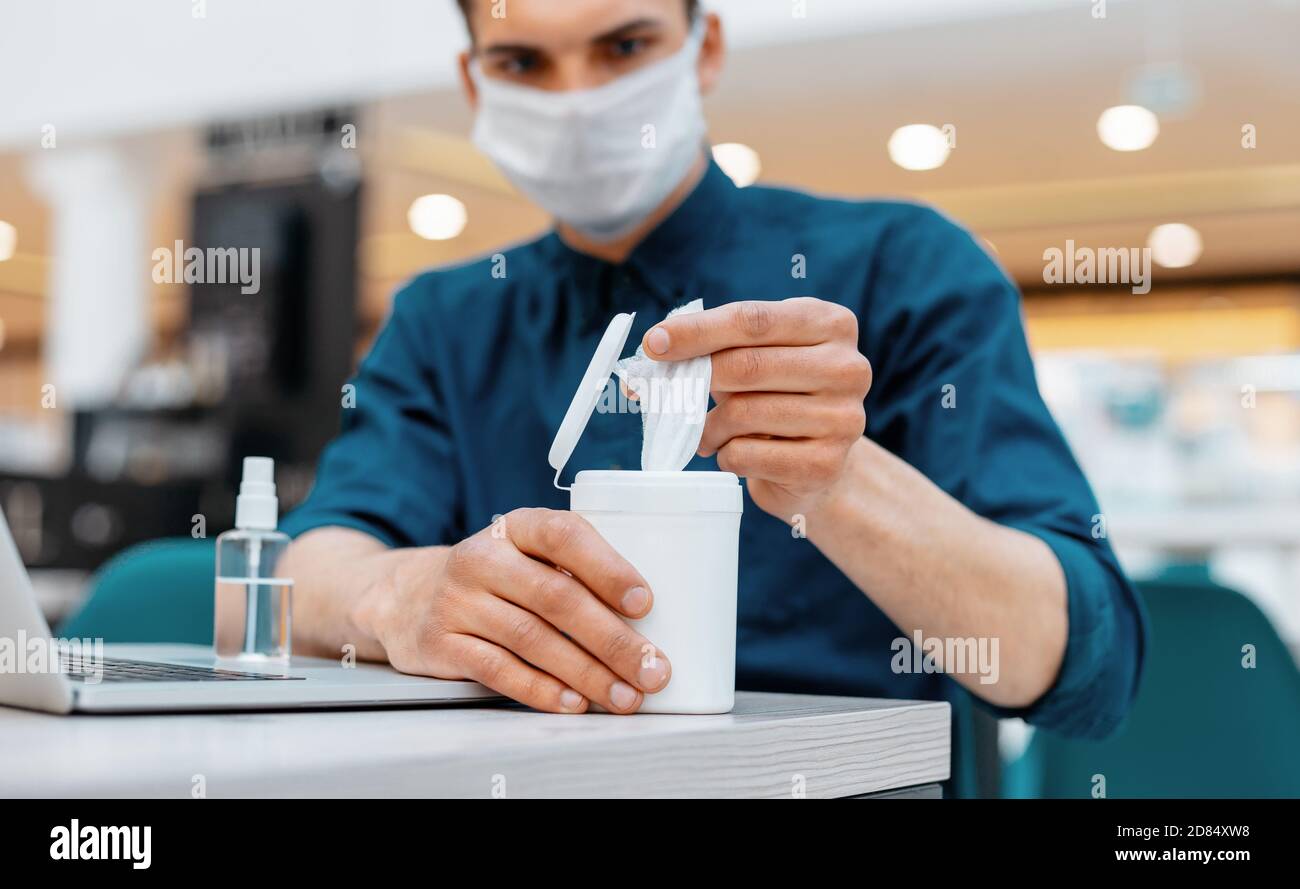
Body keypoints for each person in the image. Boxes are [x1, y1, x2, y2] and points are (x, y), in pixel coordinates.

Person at [280, 0, 1144, 749]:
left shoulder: (906, 269)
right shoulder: (444, 321)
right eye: (523, 61)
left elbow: (1083, 665)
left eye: (623, 47)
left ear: (706, 47)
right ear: (476, 83)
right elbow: (295, 577)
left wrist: (838, 481)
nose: (577, 100)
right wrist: (402, 593)